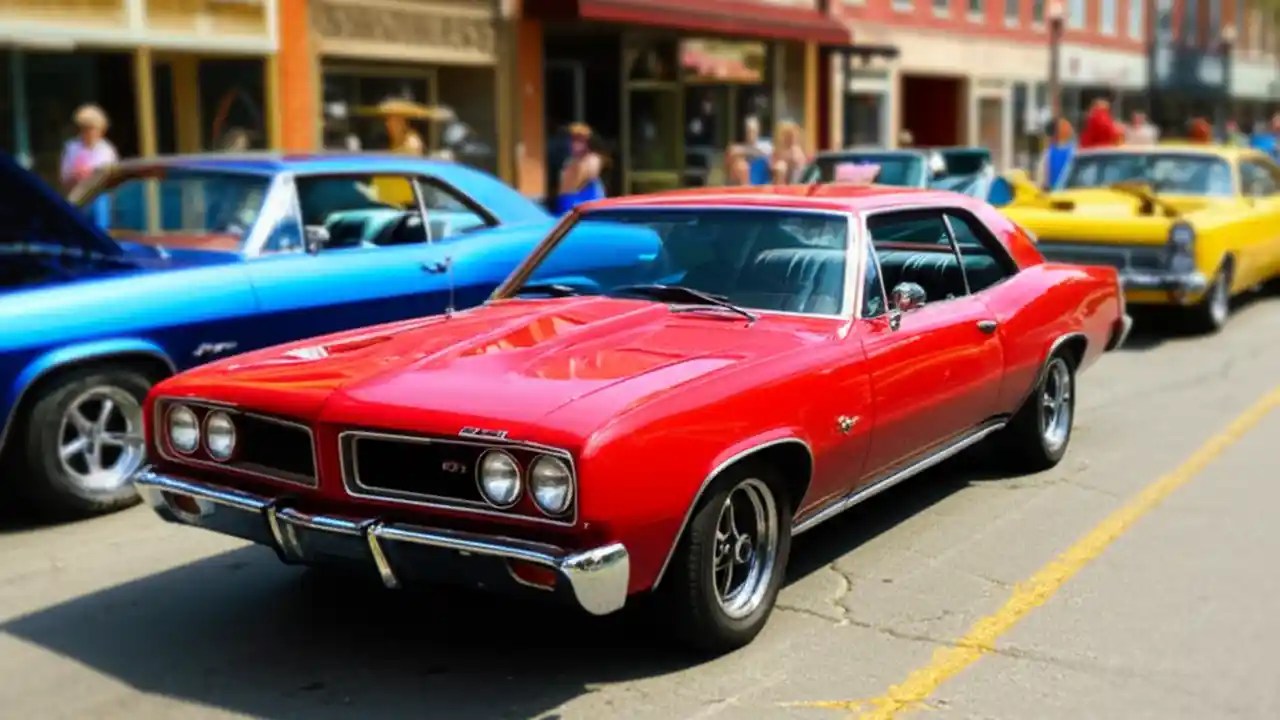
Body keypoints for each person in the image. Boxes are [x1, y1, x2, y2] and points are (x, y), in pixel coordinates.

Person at [59, 104, 118, 228]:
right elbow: (64, 176)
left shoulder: (106, 150)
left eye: (92, 128)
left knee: (100, 227)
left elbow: (112, 178)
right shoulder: (72, 148)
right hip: (78, 196)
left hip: (99, 198)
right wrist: (75, 175)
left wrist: (93, 176)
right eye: (85, 128)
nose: (89, 132)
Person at [553, 122, 605, 215]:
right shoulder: (569, 162)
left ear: (587, 142)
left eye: (580, 140)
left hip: (587, 212)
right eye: (573, 139)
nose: (575, 144)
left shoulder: (593, 160)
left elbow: (577, 182)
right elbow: (564, 190)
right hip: (566, 209)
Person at [1037, 118, 1076, 190]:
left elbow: (1041, 181)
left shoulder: (1048, 154)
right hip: (1071, 193)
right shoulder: (1075, 152)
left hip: (1053, 195)